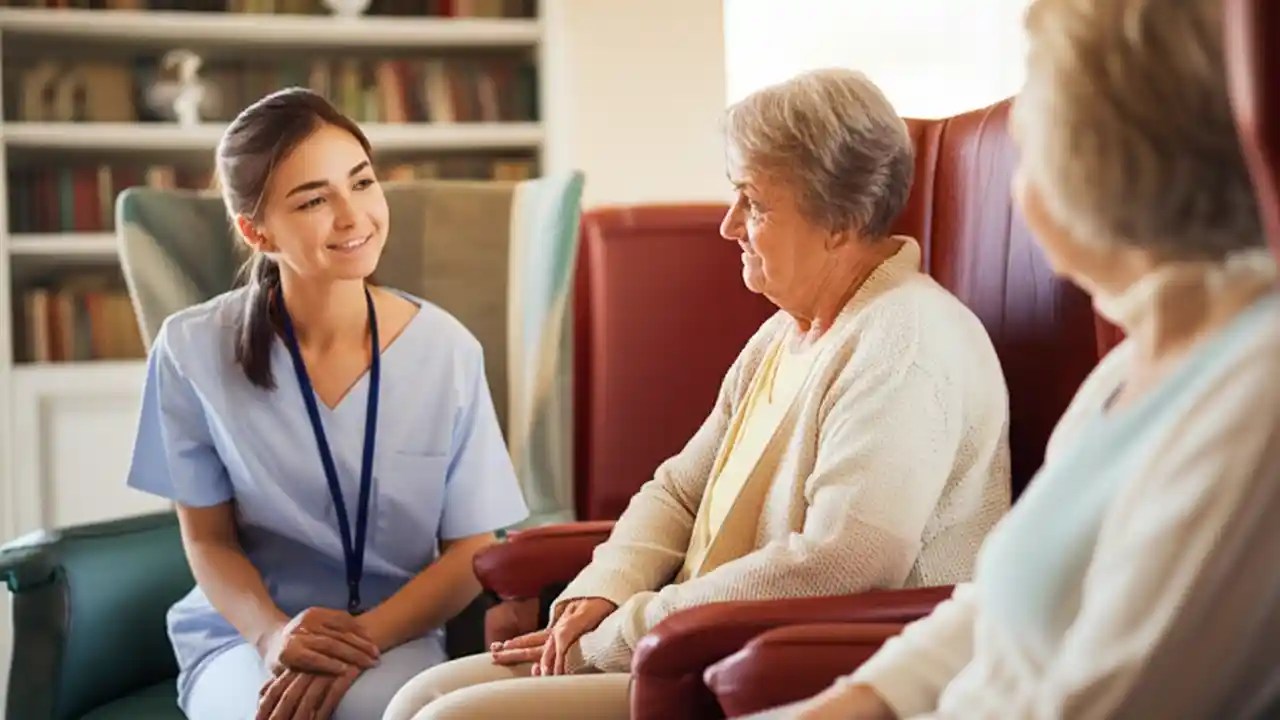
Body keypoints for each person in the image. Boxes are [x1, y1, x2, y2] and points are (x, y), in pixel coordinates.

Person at [383, 68, 1013, 720]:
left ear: (840, 221)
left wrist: (629, 628)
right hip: (693, 644)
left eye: (755, 202)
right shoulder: (783, 336)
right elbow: (679, 490)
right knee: (418, 698)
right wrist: (600, 592)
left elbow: (844, 559)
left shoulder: (903, 342)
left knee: (443, 717)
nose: (729, 225)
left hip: (799, 669)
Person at [747, 1, 1280, 719]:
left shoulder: (1255, 394)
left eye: (1035, 131)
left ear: (1111, 159)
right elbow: (998, 607)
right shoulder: (1129, 372)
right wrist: (854, 700)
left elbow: (1106, 704)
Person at [124, 87, 529, 720]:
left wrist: (363, 637)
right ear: (255, 231)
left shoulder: (447, 350)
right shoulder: (191, 350)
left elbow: (469, 553)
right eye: (314, 199)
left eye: (362, 182)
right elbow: (209, 542)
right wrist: (273, 635)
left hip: (394, 633)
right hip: (247, 635)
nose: (352, 215)